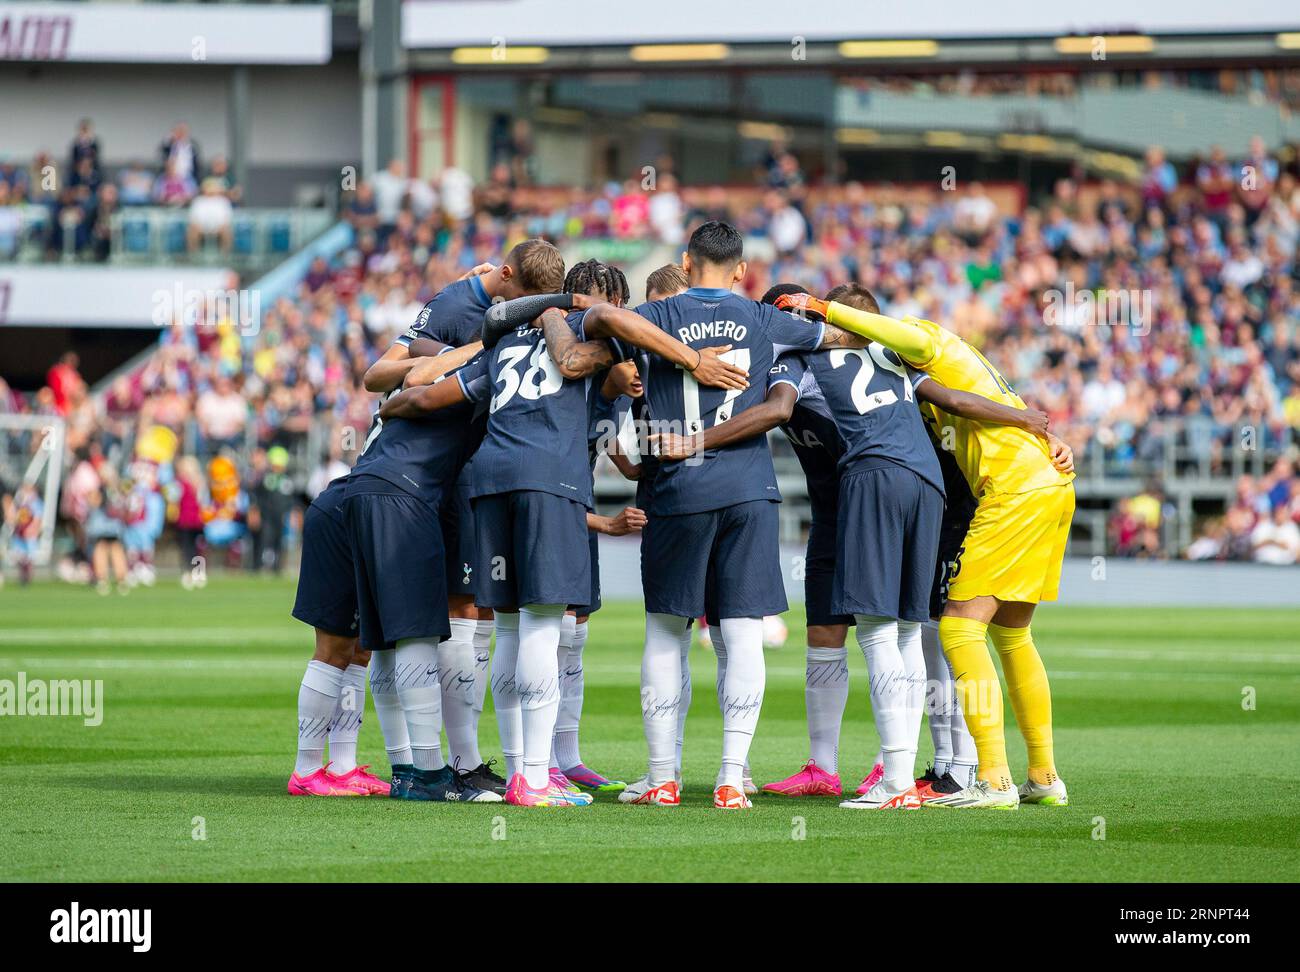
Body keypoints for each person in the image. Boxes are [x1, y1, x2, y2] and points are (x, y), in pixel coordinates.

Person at [379, 263, 747, 807]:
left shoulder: (506, 339)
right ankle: (534, 774)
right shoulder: (594, 338)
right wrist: (684, 359)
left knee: (506, 627)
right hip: (548, 479)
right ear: (609, 304)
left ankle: (521, 775)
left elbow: (428, 393)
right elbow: (586, 359)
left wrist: (387, 409)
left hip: (490, 479)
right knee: (543, 625)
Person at [775, 288, 1077, 809]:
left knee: (957, 627)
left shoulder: (923, 339)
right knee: (1013, 637)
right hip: (1045, 481)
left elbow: (904, 346)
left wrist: (824, 312)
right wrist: (1033, 423)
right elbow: (971, 403)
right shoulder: (911, 374)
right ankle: (1044, 777)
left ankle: (990, 779)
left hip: (1008, 491)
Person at [613, 220, 872, 810]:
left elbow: (603, 333)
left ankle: (663, 778)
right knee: (744, 630)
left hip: (676, 490)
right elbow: (838, 338)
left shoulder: (651, 317)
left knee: (666, 631)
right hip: (749, 492)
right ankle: (733, 777)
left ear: (685, 260)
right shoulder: (762, 319)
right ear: (740, 272)